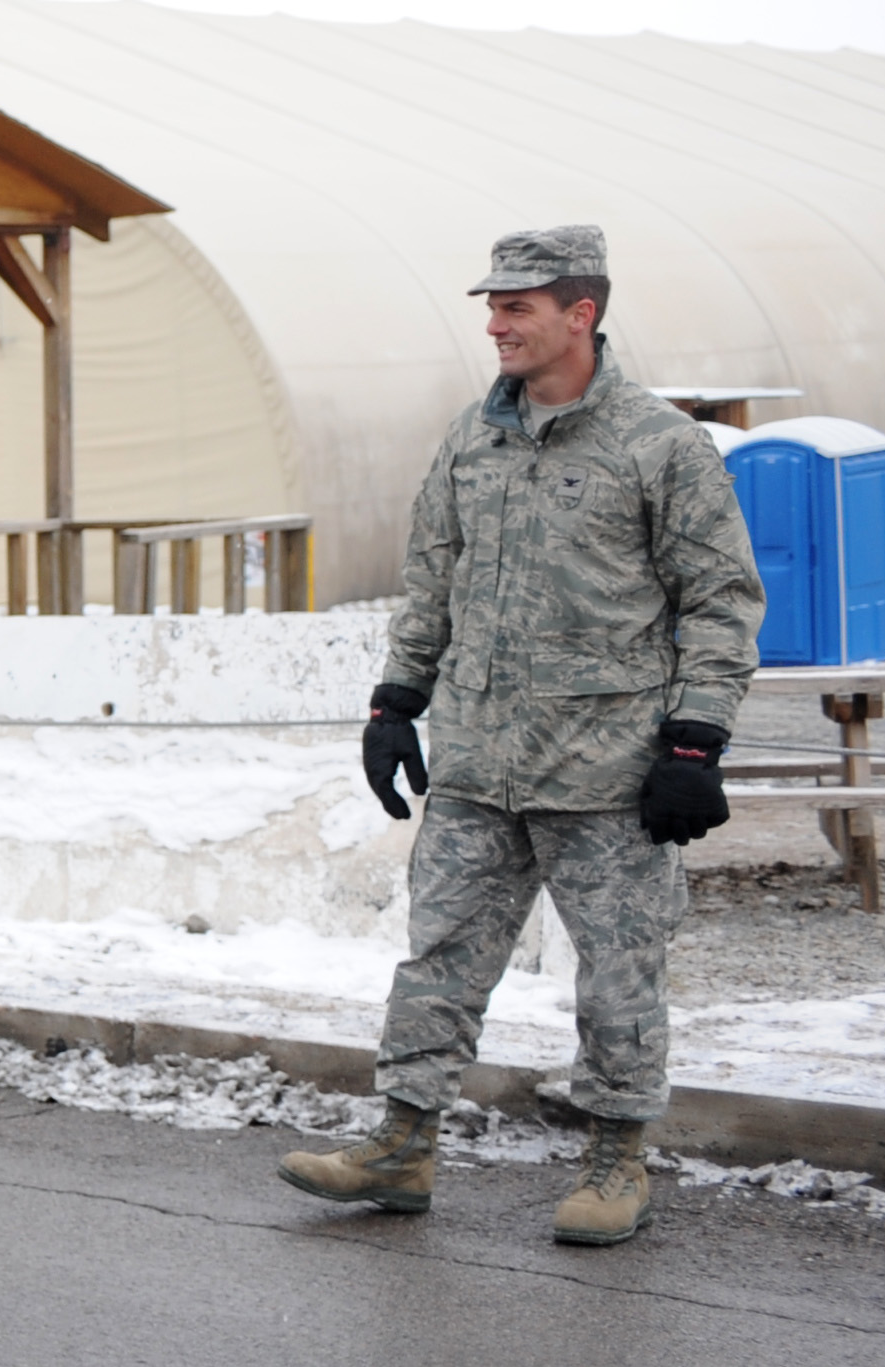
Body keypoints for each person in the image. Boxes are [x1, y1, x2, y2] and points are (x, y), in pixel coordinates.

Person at [282, 227, 760, 1247]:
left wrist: (694, 743)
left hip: (606, 773)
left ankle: (615, 1160)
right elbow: (433, 578)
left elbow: (719, 602)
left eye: (516, 307)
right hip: (476, 762)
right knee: (437, 959)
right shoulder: (472, 437)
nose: (495, 326)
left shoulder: (659, 444)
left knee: (619, 972)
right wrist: (395, 701)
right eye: (492, 308)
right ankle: (401, 1145)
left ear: (579, 313)